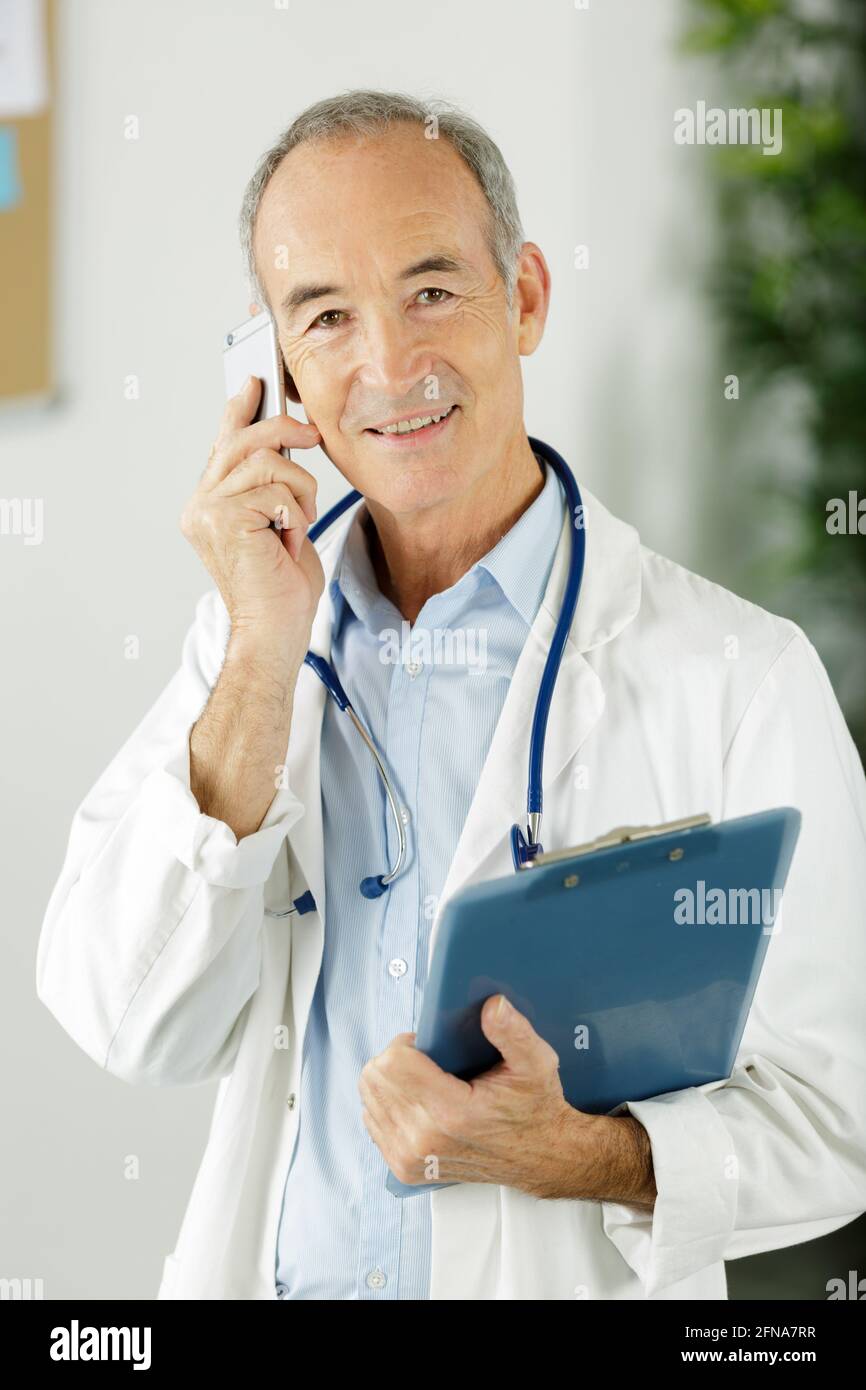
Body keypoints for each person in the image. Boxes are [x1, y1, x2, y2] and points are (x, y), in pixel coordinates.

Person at [36, 90, 866, 1301]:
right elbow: (126, 1016)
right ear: (275, 375)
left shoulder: (735, 674)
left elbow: (839, 1115)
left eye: (430, 290)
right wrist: (260, 656)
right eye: (324, 318)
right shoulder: (254, 643)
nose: (388, 366)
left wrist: (586, 1154)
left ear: (523, 297)